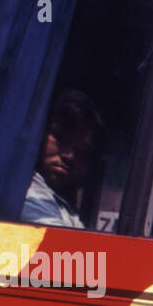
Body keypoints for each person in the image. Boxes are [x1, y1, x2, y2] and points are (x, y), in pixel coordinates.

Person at [21, 89, 104, 228]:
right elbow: (57, 245)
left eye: (81, 150)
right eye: (61, 138)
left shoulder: (62, 202)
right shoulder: (26, 191)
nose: (70, 156)